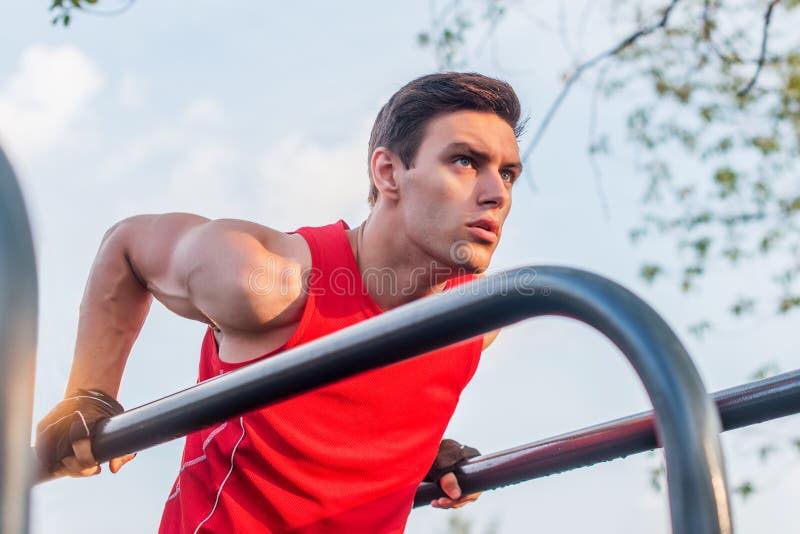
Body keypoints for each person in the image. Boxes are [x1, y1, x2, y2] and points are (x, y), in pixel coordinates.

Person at [35, 72, 524, 533]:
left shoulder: (475, 322)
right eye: (464, 161)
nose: (495, 193)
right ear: (388, 172)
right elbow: (128, 245)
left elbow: (358, 408)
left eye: (507, 174)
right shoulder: (264, 278)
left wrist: (416, 455)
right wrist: (90, 394)